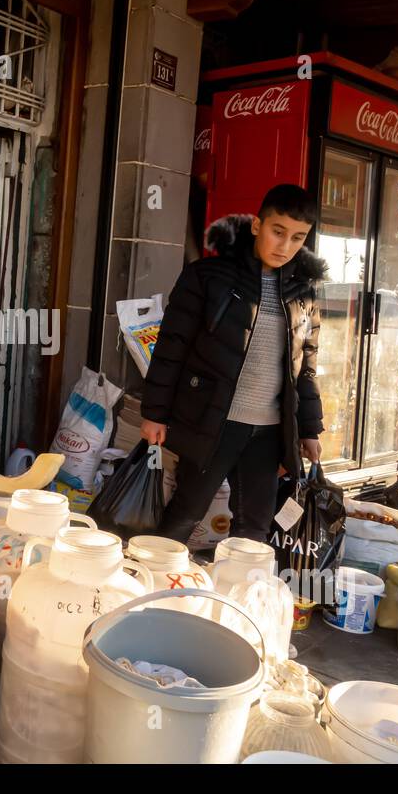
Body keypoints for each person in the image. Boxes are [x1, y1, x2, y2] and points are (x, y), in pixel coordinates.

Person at [140, 184, 326, 545]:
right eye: (278, 232)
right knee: (187, 513)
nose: (285, 246)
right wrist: (154, 413)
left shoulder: (303, 294)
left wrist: (309, 430)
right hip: (214, 421)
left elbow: (305, 369)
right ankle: (154, 587)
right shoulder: (208, 277)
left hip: (269, 432)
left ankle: (235, 596)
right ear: (257, 225)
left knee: (255, 526)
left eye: (298, 238)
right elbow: (171, 348)